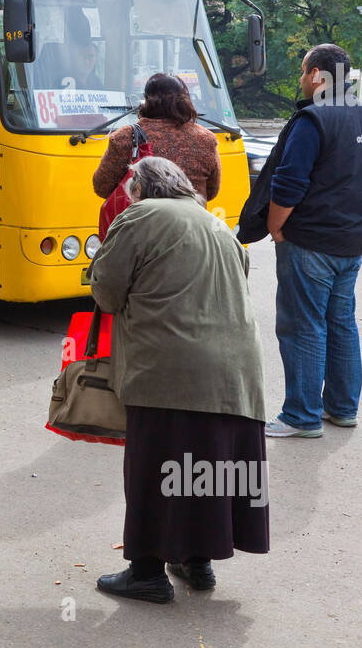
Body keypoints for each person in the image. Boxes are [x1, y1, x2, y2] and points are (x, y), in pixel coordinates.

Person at [88, 156, 269, 602]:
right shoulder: (216, 224)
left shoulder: (140, 216)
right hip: (236, 373)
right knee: (204, 465)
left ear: (140, 189)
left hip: (170, 369)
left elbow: (107, 292)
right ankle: (197, 562)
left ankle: (147, 571)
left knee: (155, 466)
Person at [261, 43, 362, 438]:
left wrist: (276, 226)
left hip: (312, 243)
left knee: (302, 326)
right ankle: (342, 409)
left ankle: (301, 416)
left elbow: (289, 182)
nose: (300, 79)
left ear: (317, 75)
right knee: (341, 322)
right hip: (352, 243)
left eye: (303, 71)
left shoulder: (312, 120)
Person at [93, 73, 221, 204]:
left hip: (140, 222)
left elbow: (101, 187)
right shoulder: (206, 139)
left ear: (146, 101)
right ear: (186, 100)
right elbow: (211, 192)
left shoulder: (124, 137)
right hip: (192, 222)